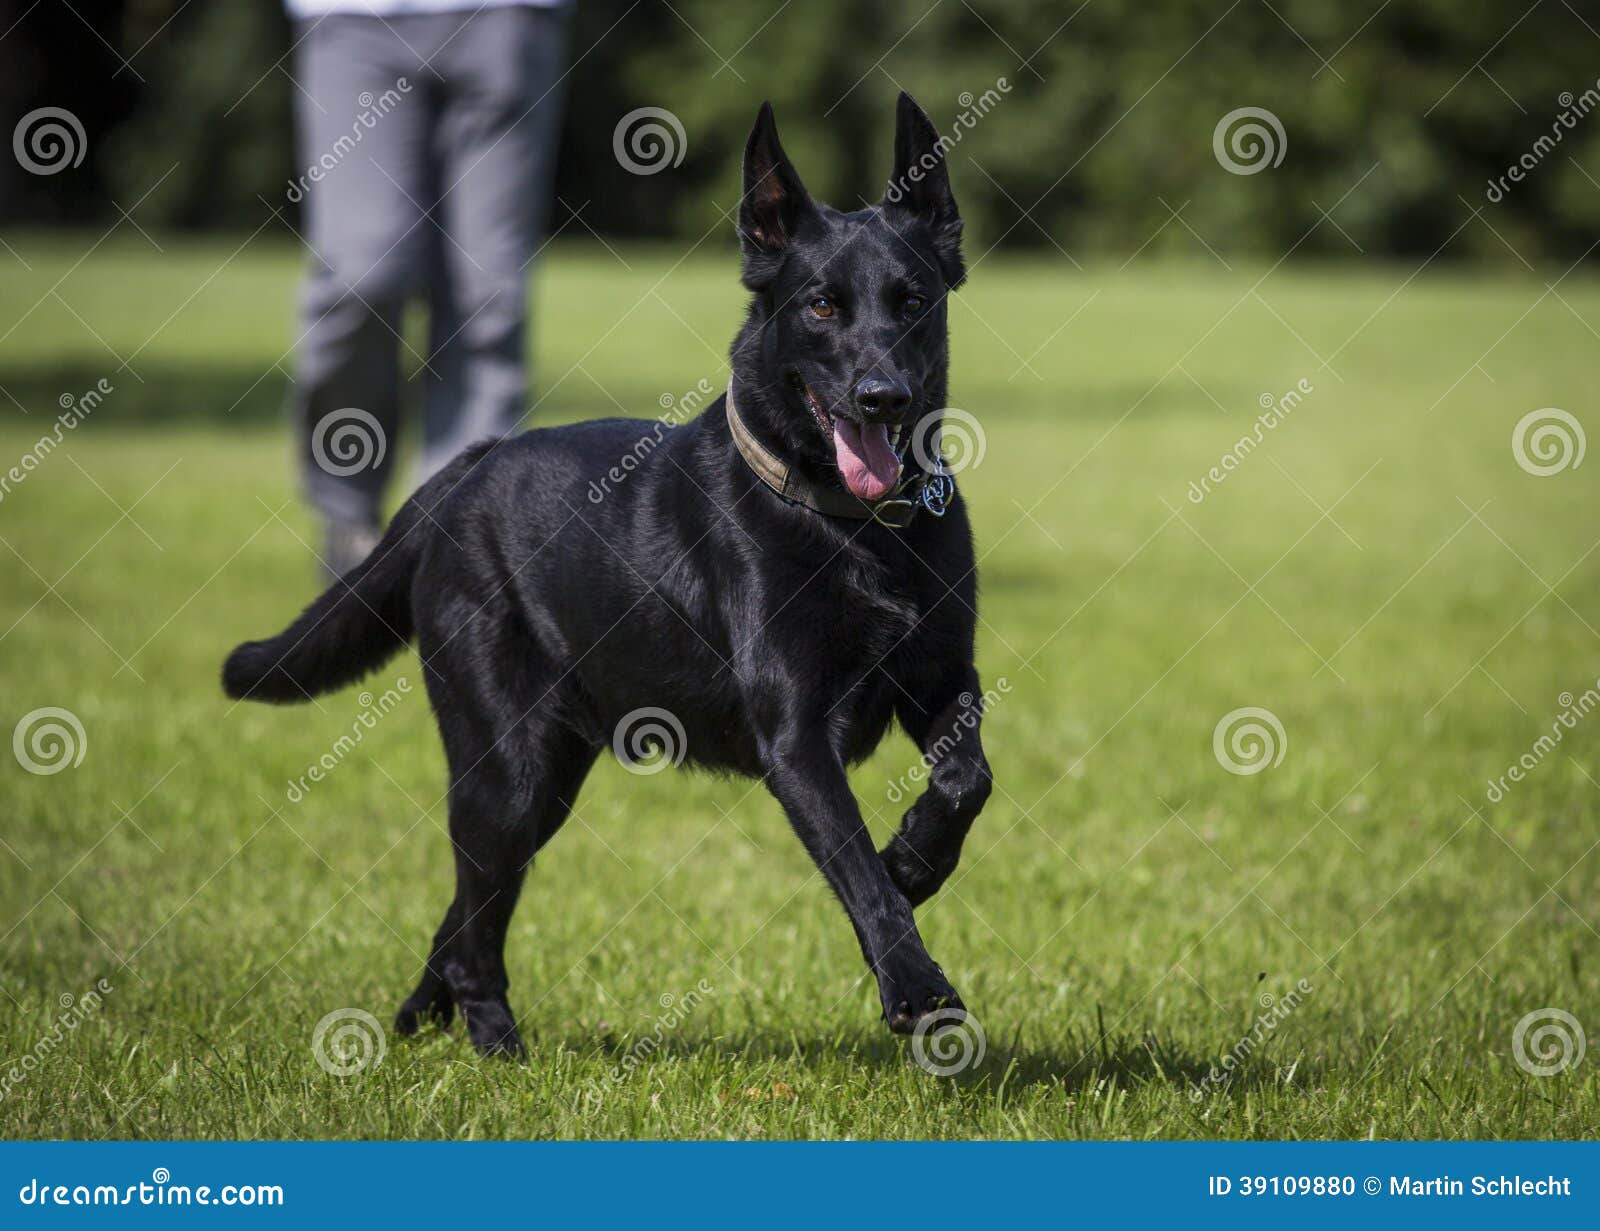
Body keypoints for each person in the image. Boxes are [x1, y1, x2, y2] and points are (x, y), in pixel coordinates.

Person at [283, 0, 570, 575]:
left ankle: (458, 536)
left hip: (509, 16)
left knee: (486, 297)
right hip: (352, 19)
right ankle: (348, 515)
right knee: (363, 272)